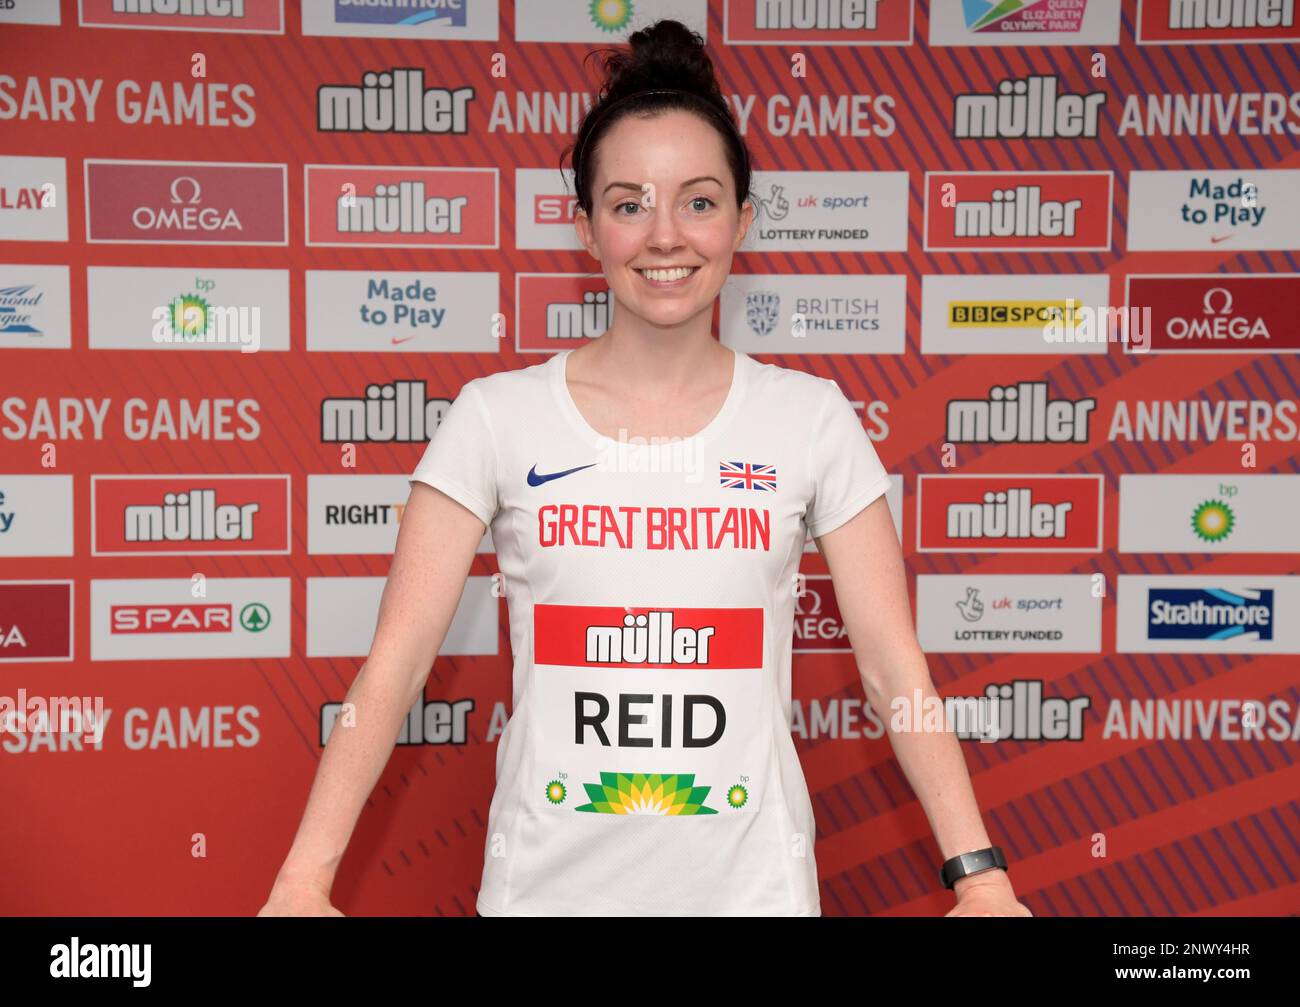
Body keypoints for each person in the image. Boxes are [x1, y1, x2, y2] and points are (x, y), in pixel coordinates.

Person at [258, 19, 1032, 918]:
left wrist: (981, 878)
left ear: (743, 219)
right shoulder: (494, 417)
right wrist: (301, 884)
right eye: (629, 204)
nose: (666, 235)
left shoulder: (811, 419)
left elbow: (896, 671)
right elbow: (396, 666)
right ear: (586, 227)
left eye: (698, 202)